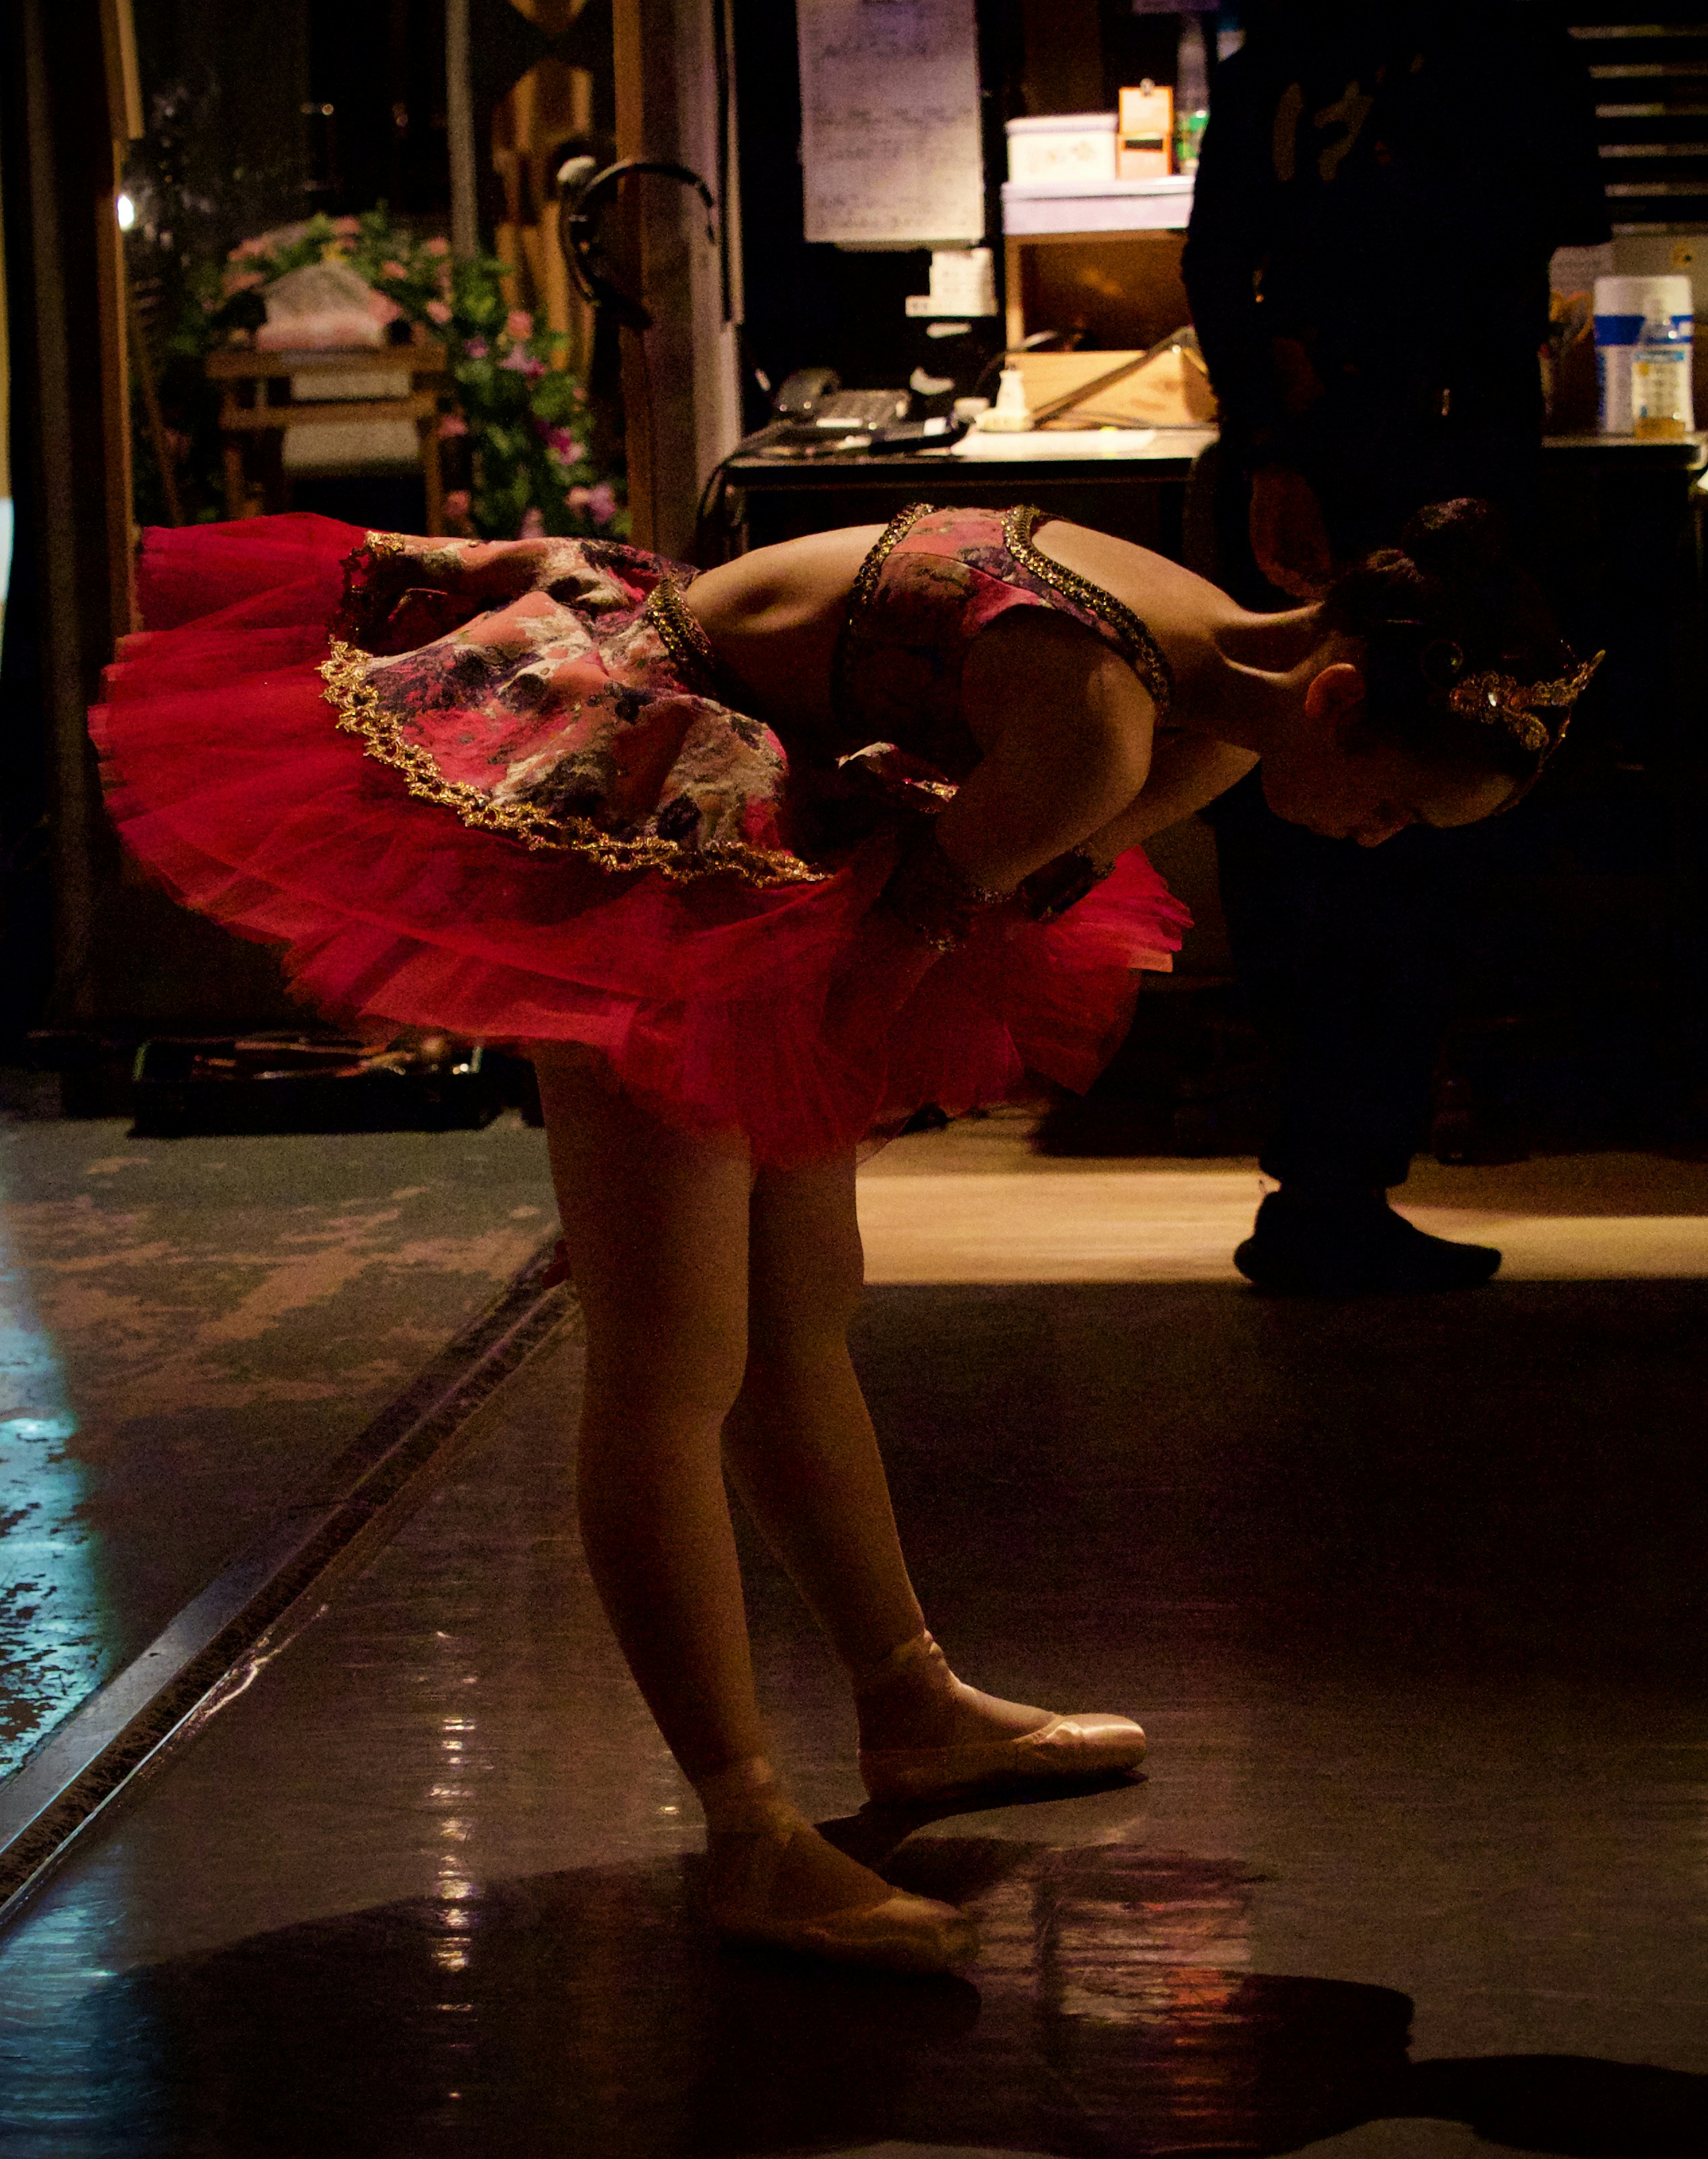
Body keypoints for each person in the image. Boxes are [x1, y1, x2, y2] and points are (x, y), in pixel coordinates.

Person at [91, 496, 1596, 1973]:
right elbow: (871, 983)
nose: (1382, 841)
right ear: (1337, 697)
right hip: (642, 800)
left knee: (802, 1304)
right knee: (674, 1352)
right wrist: (666, 1166)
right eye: (1397, 804)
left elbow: (974, 912)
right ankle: (749, 1836)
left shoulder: (1202, 674)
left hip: (764, 815)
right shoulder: (1109, 718)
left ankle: (908, 1704)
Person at [1182, 0, 1611, 1294]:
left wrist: (1271, 437)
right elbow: (1521, 293)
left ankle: (1324, 1174)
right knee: (1416, 817)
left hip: (1295, 465)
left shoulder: (1284, 47)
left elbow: (1214, 272)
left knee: (1299, 813)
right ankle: (1342, 1175)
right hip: (1446, 474)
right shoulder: (1516, 51)